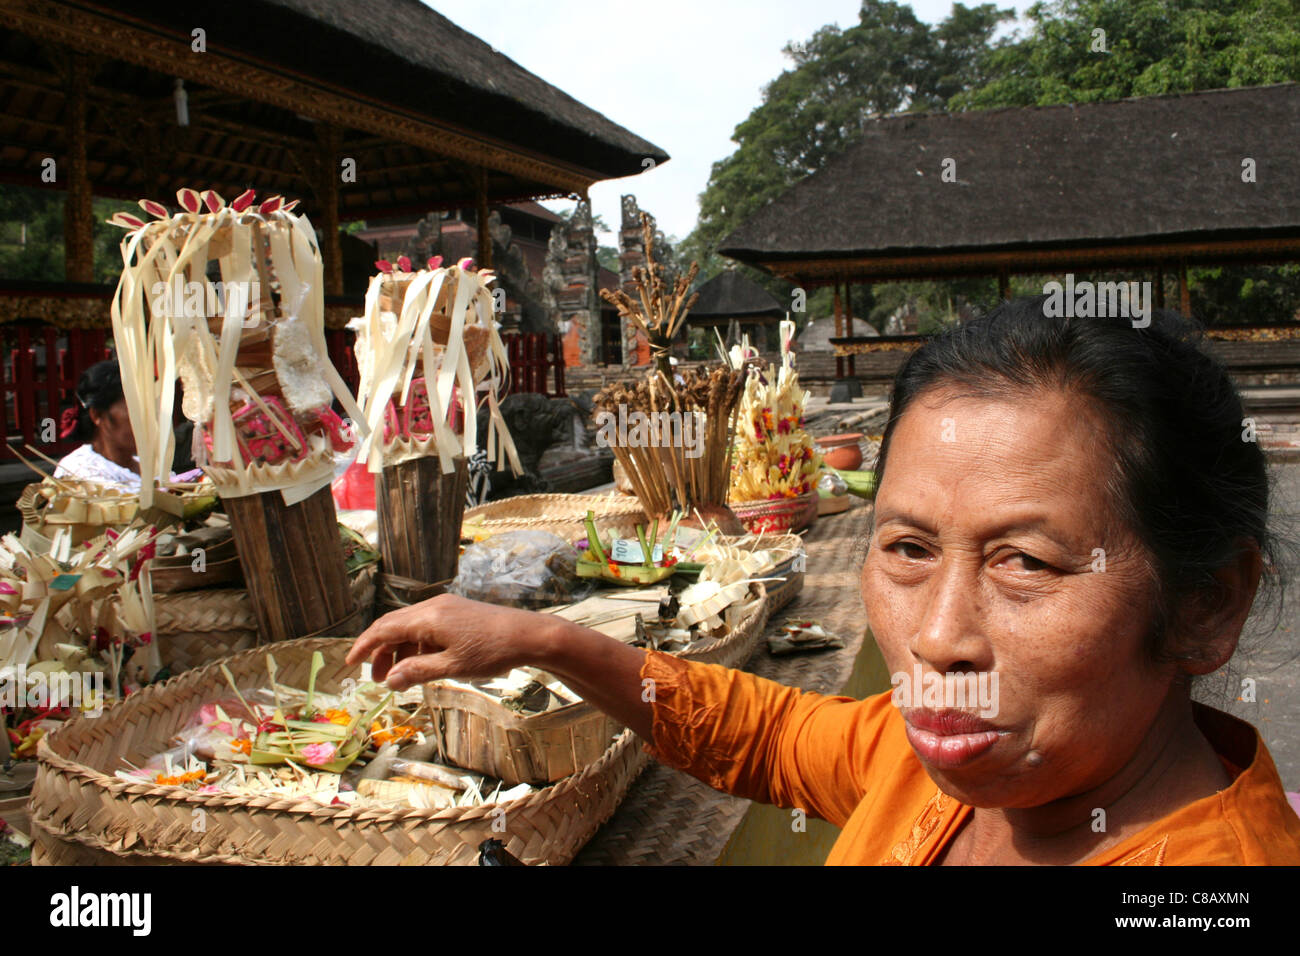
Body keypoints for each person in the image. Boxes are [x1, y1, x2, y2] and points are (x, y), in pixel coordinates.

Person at [348, 297, 1300, 865]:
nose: (935, 639)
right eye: (909, 549)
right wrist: (538, 641)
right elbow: (768, 734)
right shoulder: (937, 755)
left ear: (1205, 603)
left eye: (1026, 562)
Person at [55, 359, 147, 491]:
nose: (148, 421)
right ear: (97, 415)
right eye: (135, 411)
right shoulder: (79, 472)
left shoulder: (149, 465)